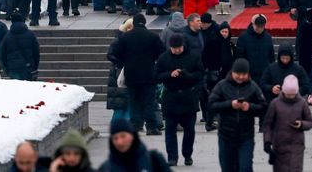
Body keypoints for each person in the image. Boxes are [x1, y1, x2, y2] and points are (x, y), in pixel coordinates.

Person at [109, 13, 165, 135]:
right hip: (149, 74)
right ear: (145, 23)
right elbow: (162, 53)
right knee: (149, 101)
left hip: (131, 74)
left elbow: (116, 53)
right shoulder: (152, 37)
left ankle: (135, 125)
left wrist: (125, 61)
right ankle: (151, 127)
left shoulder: (125, 37)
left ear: (133, 23)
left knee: (134, 101)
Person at [209, 59, 267, 172]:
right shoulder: (222, 85)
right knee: (227, 168)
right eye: (238, 74)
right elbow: (211, 105)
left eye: (243, 74)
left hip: (246, 136)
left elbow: (263, 107)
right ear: (232, 72)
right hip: (226, 135)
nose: (240, 77)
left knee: (245, 167)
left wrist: (249, 107)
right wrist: (230, 104)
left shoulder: (253, 86)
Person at [155, 32, 203, 166]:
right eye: (174, 48)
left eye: (179, 48)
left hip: (188, 97)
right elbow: (156, 75)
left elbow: (200, 74)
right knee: (170, 130)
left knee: (190, 129)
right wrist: (169, 74)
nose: (177, 50)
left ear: (183, 46)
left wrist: (187, 75)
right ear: (170, 47)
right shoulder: (163, 58)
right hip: (171, 97)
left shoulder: (193, 57)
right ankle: (172, 156)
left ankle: (187, 154)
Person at [262, 74, 312, 172]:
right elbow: (267, 124)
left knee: (295, 169)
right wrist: (267, 141)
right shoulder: (275, 103)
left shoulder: (302, 103)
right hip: (279, 146)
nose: (291, 96)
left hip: (297, 146)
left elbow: (310, 121)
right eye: (288, 94)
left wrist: (302, 124)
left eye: (293, 94)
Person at [98, 119, 170, 172]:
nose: (119, 142)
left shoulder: (155, 160)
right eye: (115, 138)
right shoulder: (106, 168)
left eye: (123, 136)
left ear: (132, 136)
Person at [1, 13, 40, 81]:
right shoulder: (31, 34)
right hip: (28, 67)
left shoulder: (7, 36)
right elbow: (36, 52)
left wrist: (7, 69)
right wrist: (34, 66)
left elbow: (2, 54)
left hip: (13, 68)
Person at [234, 14, 275, 79]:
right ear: (253, 24)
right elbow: (239, 56)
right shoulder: (243, 37)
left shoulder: (267, 37)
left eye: (262, 26)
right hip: (249, 75)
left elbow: (271, 55)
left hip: (265, 74)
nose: (260, 29)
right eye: (258, 26)